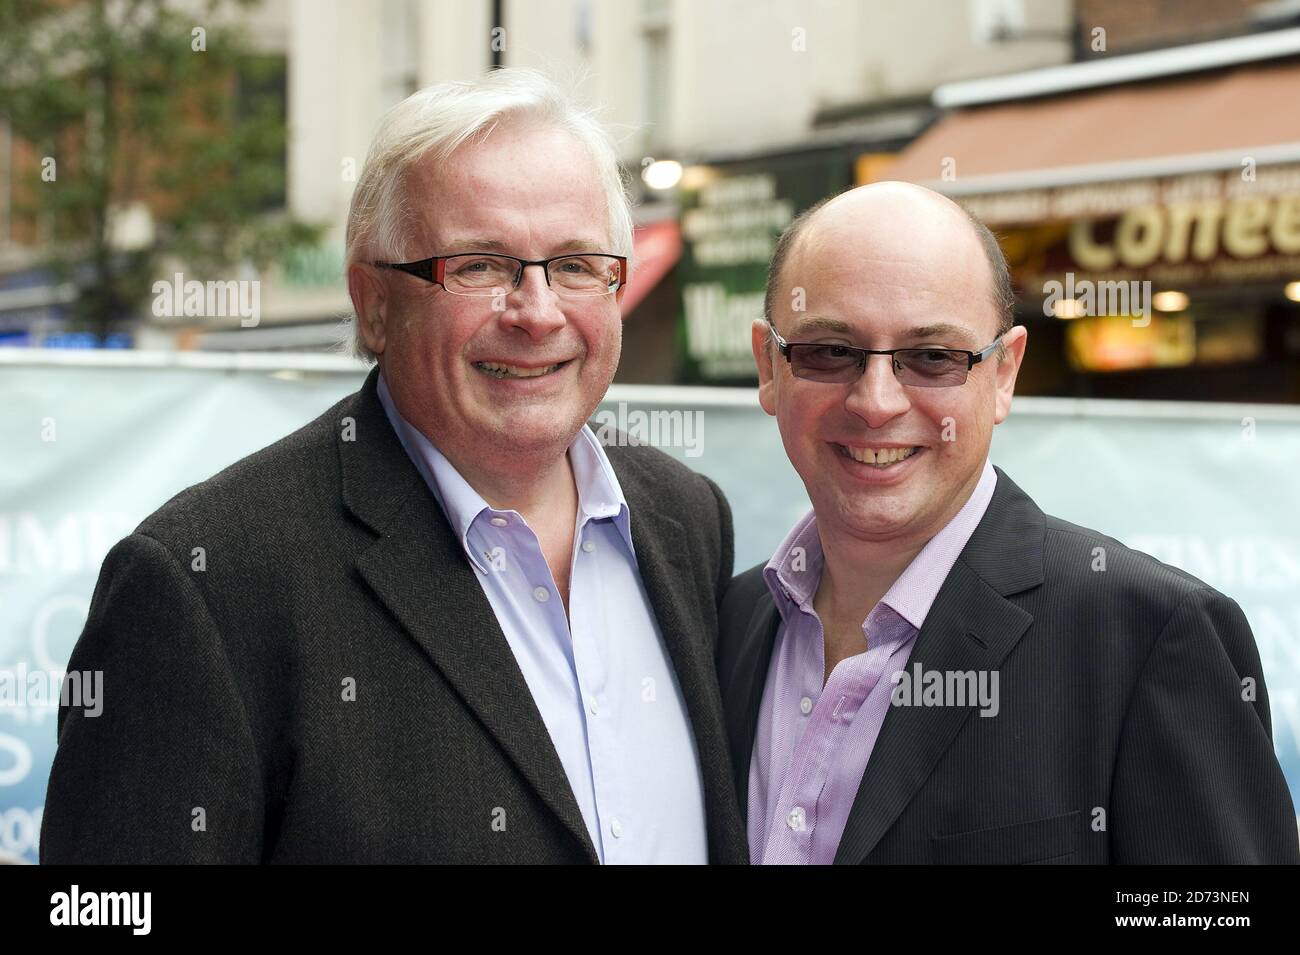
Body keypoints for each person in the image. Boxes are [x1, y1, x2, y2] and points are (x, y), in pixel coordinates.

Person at [42, 69, 746, 864]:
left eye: (578, 264)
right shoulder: (206, 583)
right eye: (479, 265)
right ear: (374, 303)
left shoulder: (686, 521)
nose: (538, 312)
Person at [718, 180, 1299, 865]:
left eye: (933, 357)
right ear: (768, 364)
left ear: (1004, 373)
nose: (876, 401)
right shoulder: (726, 623)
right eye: (829, 351)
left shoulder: (1150, 634)